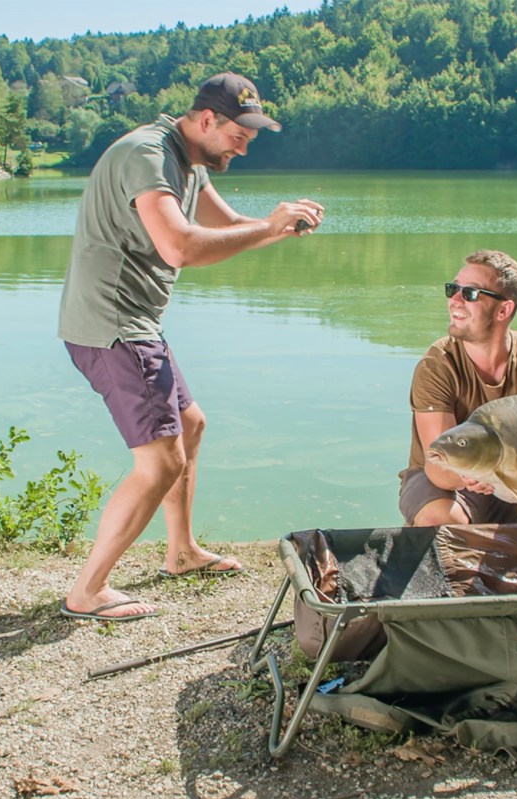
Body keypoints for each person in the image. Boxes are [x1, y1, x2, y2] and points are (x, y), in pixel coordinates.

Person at [56, 72, 324, 622]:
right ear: (207, 120)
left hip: (134, 325)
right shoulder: (149, 156)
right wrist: (270, 228)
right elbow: (179, 246)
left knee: (191, 424)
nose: (246, 144)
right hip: (114, 326)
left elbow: (223, 225)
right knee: (159, 462)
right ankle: (87, 591)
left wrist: (280, 225)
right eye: (240, 133)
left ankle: (180, 552)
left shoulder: (187, 163)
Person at [398, 249, 517, 528]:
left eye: (470, 294)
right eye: (452, 289)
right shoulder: (437, 363)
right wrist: (474, 475)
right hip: (448, 482)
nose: (454, 300)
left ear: (503, 309)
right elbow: (437, 464)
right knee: (437, 517)